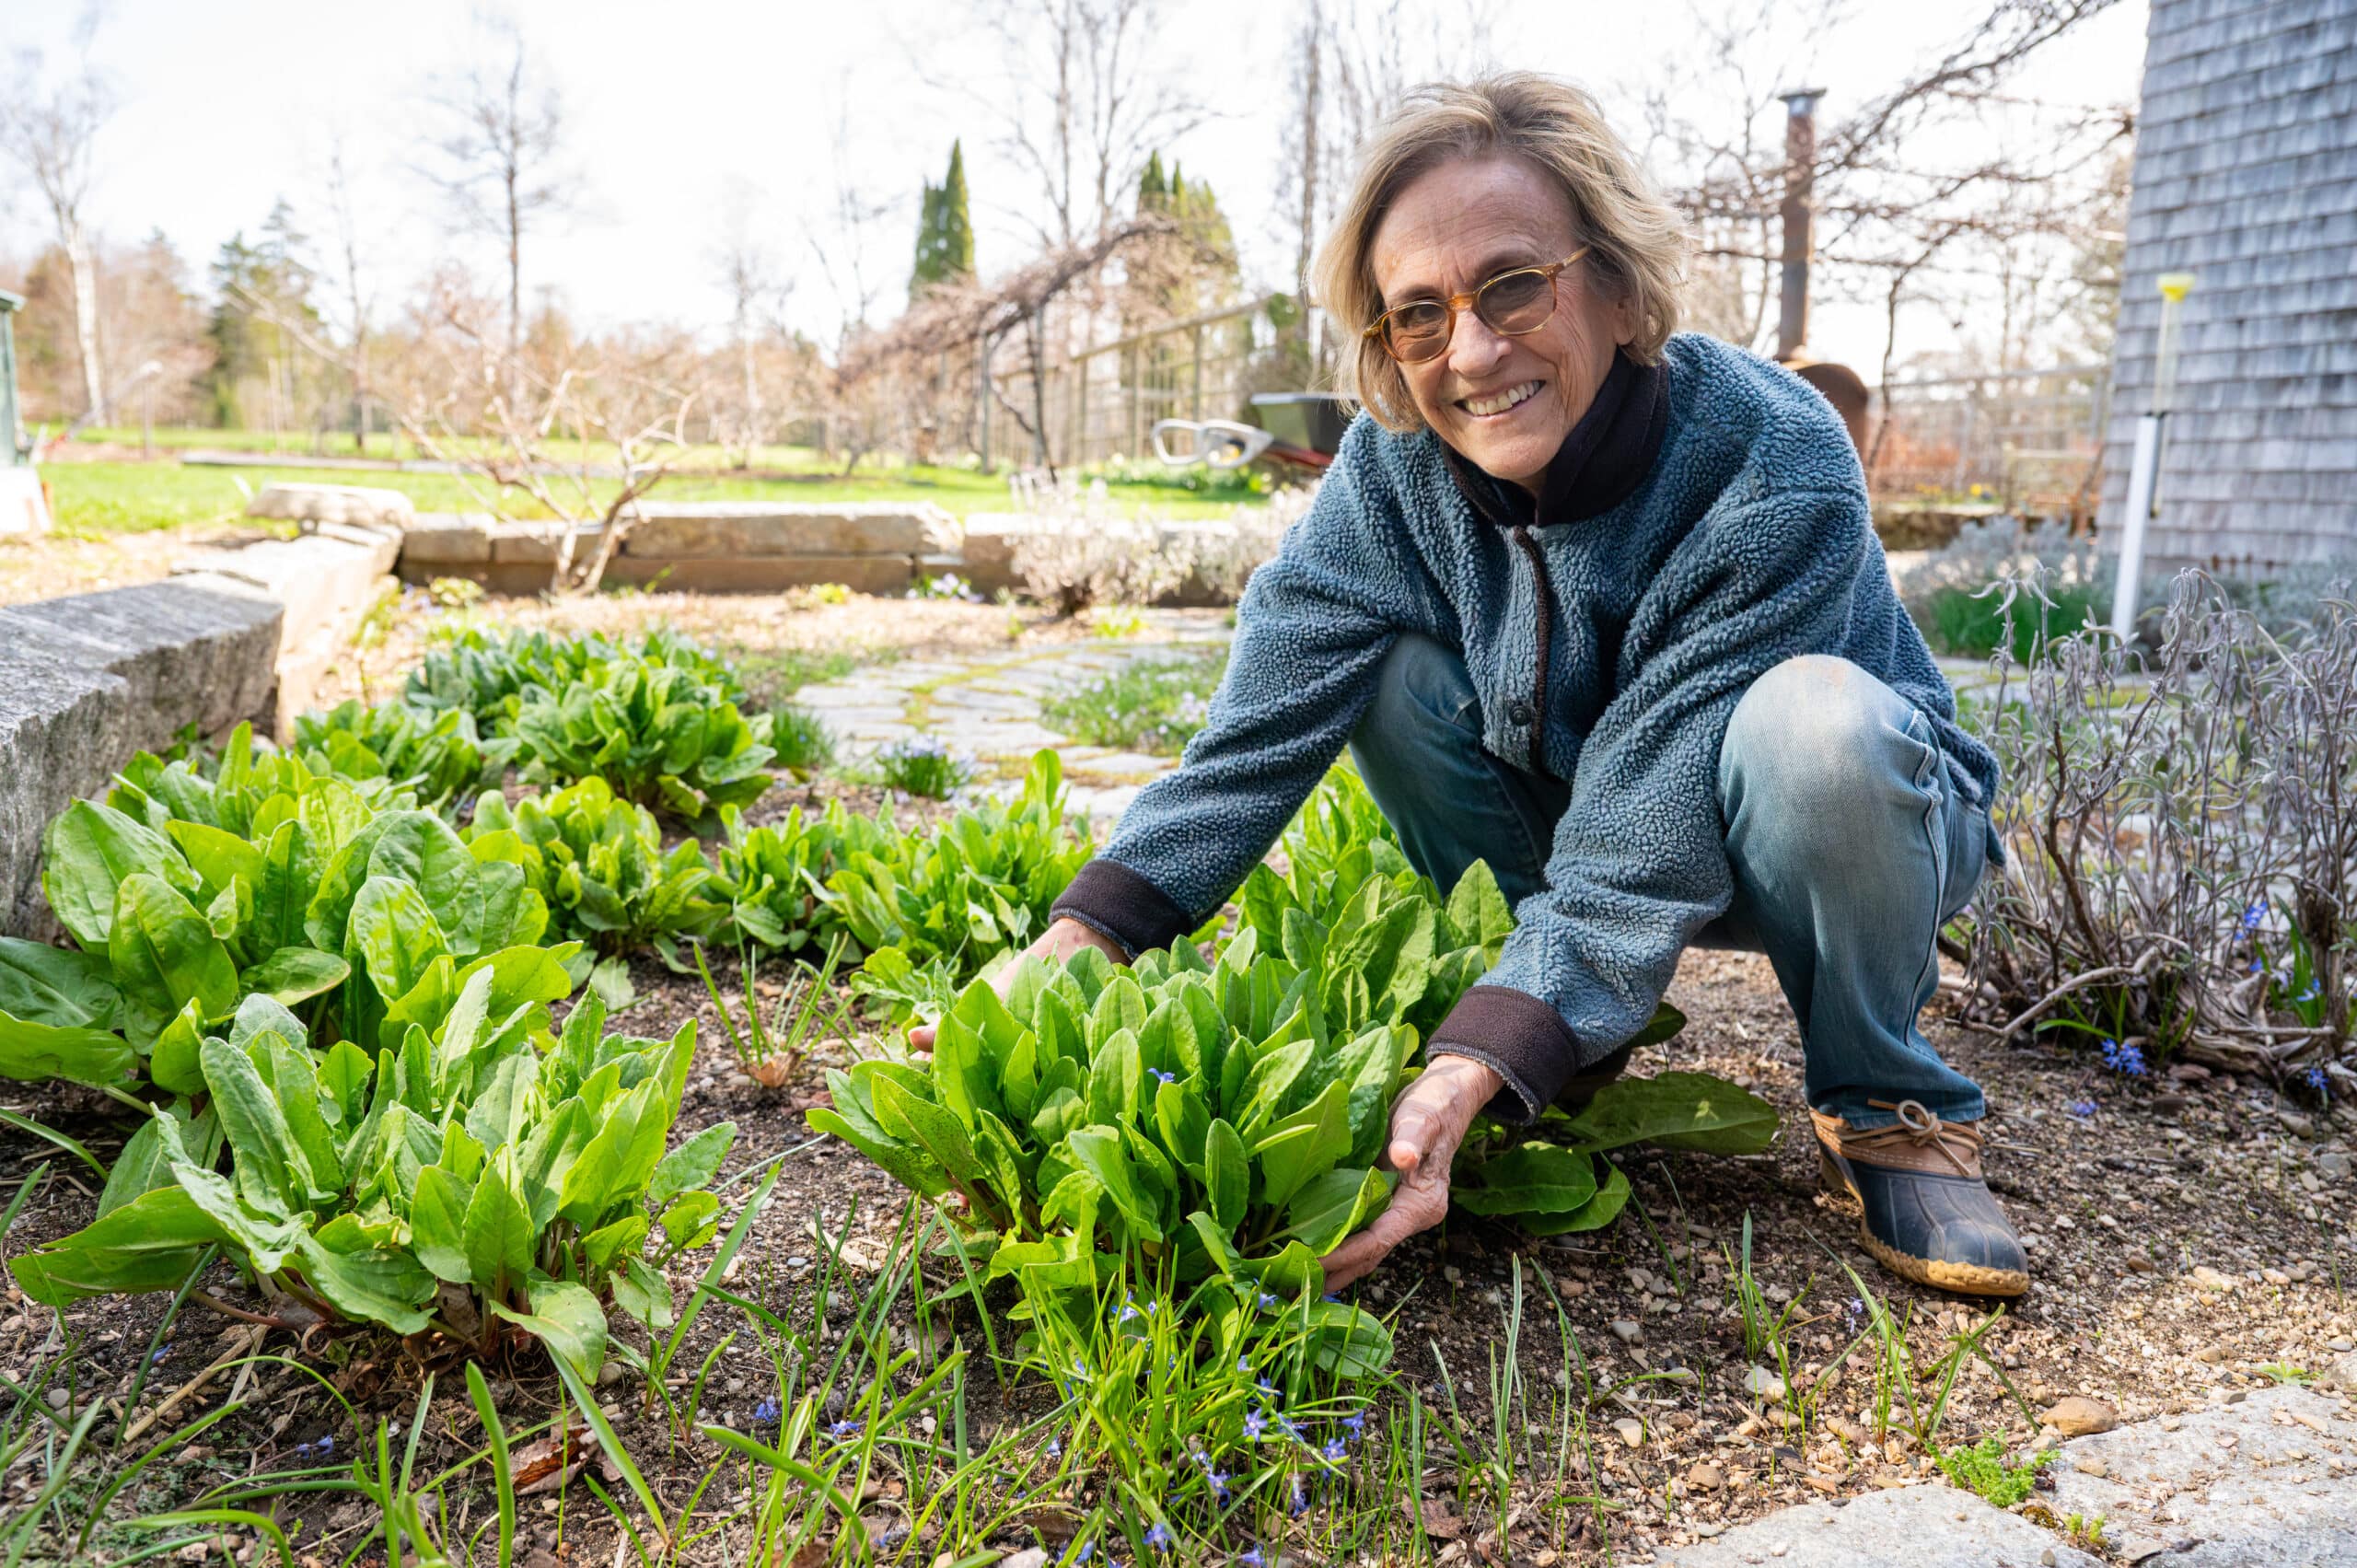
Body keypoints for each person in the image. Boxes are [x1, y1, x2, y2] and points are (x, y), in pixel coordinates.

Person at [915, 73, 2026, 1299]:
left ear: (1612, 278)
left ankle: (1888, 1104)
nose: (1475, 352)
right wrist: (1084, 936)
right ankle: (1553, 1028)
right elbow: (1259, 725)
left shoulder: (1770, 458)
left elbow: (1652, 820)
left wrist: (1479, 1050)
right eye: (1419, 316)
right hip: (1585, 810)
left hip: (1841, 826)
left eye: (1512, 286)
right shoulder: (1394, 469)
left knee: (1812, 727)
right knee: (1378, 666)